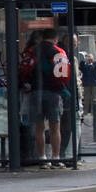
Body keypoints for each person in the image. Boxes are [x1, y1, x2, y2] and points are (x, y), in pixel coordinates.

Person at [22, 28, 70, 163]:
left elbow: (24, 71)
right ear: (55, 39)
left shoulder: (32, 51)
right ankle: (56, 157)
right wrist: (63, 90)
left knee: (39, 127)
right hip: (53, 92)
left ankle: (42, 157)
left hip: (35, 91)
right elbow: (63, 75)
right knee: (55, 126)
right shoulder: (58, 52)